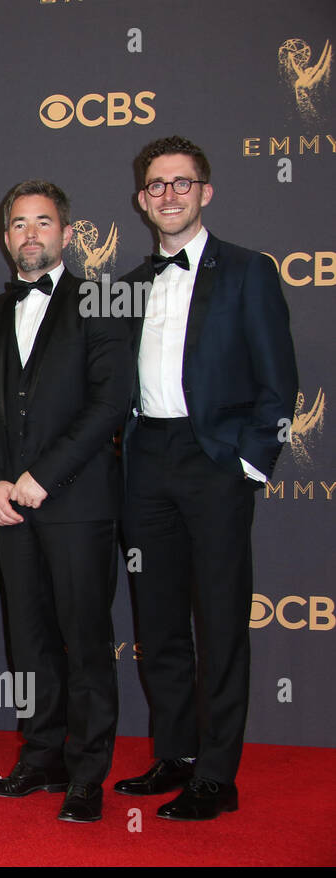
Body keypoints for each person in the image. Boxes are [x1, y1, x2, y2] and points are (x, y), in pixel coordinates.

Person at [114, 137, 297, 821]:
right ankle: (176, 754)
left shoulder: (248, 272)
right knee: (157, 620)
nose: (168, 195)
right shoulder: (128, 286)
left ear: (205, 192)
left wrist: (250, 463)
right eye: (156, 185)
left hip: (215, 459)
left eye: (181, 183)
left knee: (219, 620)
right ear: (141, 199)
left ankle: (217, 774)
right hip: (147, 460)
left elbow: (278, 383)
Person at [0, 180, 133, 822]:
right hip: (9, 504)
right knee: (28, 638)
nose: (29, 234)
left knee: (84, 639)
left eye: (43, 222)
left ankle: (87, 771)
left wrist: (43, 476)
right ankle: (41, 757)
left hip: (77, 502)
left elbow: (108, 404)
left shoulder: (102, 299)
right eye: (18, 224)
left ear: (66, 232)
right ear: (6, 236)